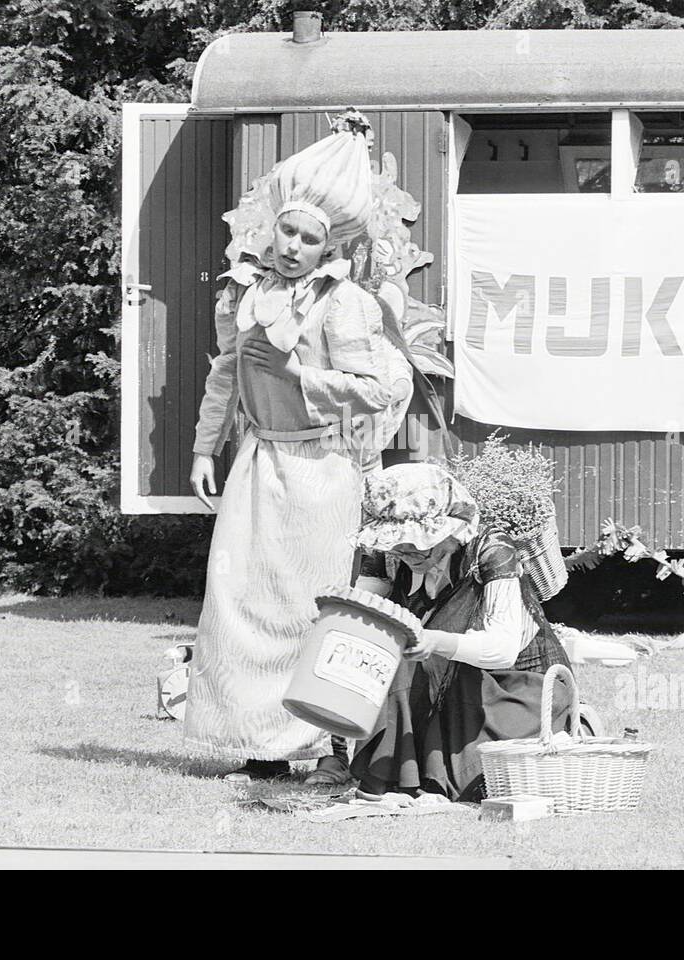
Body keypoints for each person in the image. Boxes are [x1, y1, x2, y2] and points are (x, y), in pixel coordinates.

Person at [185, 111, 397, 782]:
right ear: (271, 227)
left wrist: (298, 374)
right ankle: (261, 748)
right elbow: (225, 373)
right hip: (258, 462)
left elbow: (373, 390)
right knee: (244, 600)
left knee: (312, 603)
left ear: (328, 244)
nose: (295, 247)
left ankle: (328, 745)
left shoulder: (344, 302)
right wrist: (204, 449)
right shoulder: (243, 293)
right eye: (288, 231)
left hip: (321, 468)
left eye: (310, 238)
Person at [346, 463, 592, 801]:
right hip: (441, 683)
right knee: (394, 656)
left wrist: (433, 641)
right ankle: (391, 773)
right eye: (397, 545)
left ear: (448, 530)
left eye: (417, 544)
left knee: (476, 772)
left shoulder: (492, 550)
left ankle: (570, 728)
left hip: (513, 687)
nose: (407, 553)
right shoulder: (387, 555)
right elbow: (362, 612)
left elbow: (501, 649)